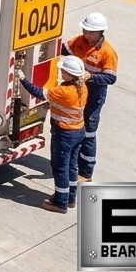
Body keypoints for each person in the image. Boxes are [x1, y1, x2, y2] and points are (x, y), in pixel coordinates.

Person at [21, 55, 88, 213]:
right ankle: (71, 198)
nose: (61, 73)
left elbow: (37, 92)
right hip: (78, 131)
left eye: (63, 71)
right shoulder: (82, 88)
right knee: (72, 166)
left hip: (65, 134)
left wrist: (22, 79)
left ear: (70, 75)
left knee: (60, 168)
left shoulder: (64, 92)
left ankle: (60, 202)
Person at [64, 12, 118, 183]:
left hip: (94, 95)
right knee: (74, 128)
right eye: (85, 30)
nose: (86, 34)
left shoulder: (107, 52)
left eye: (90, 32)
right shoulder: (78, 41)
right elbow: (64, 50)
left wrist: (91, 76)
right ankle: (73, 163)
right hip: (77, 92)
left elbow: (111, 78)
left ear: (101, 32)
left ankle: (86, 173)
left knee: (88, 132)